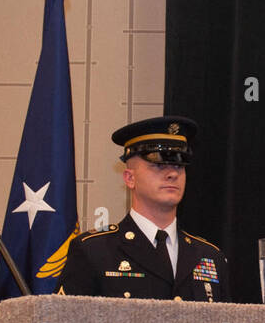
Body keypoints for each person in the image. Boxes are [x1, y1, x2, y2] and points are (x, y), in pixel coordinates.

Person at [58, 115, 231, 301]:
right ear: (129, 178)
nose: (172, 173)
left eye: (179, 165)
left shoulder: (209, 256)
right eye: (158, 165)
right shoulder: (94, 251)